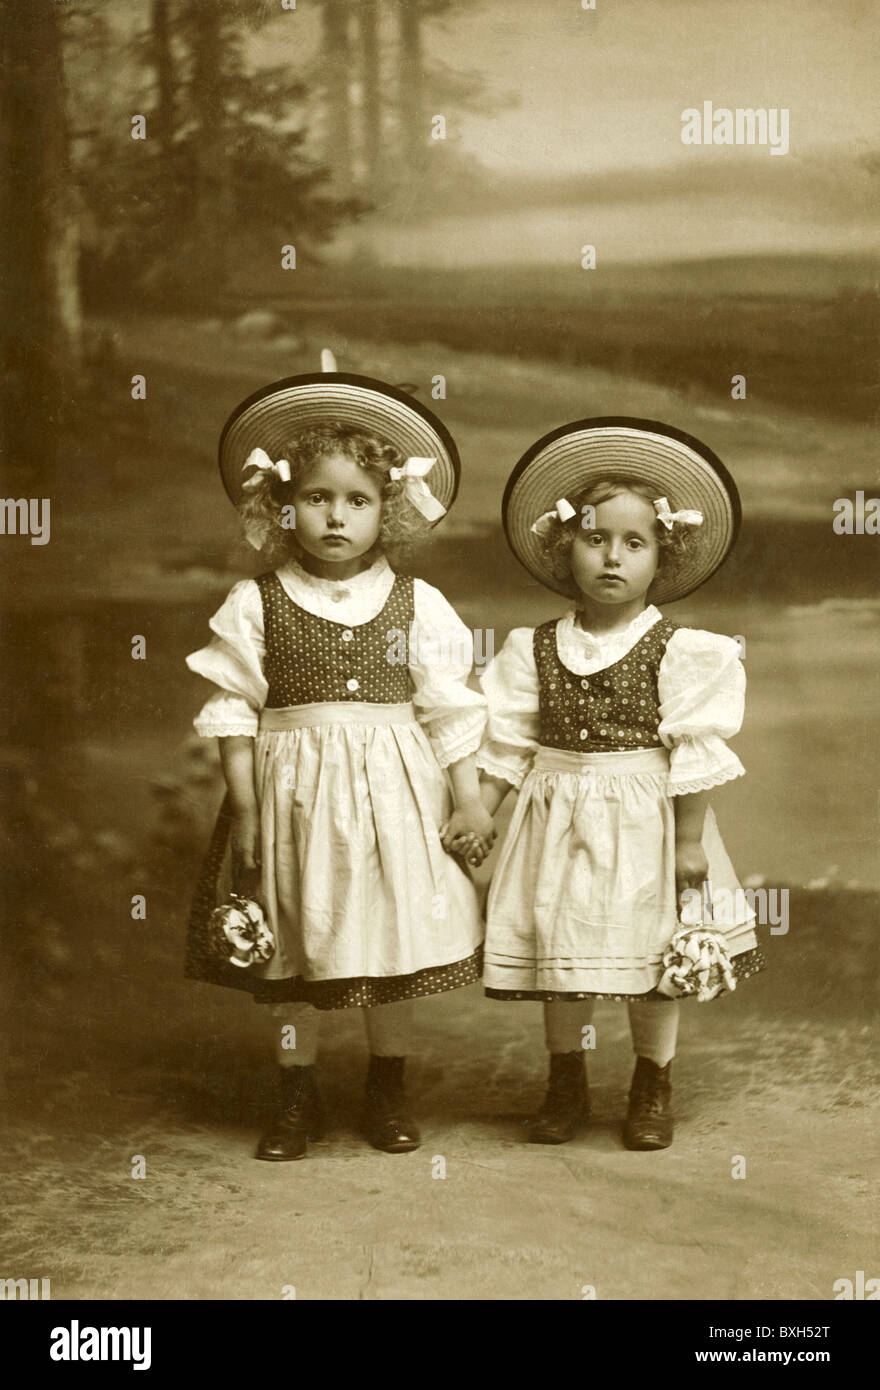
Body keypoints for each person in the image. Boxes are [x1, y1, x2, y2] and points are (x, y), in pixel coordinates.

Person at [186, 357, 493, 1161]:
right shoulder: (255, 601)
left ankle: (387, 1084)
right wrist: (247, 808)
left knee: (390, 937)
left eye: (356, 500)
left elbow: (450, 708)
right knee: (301, 938)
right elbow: (231, 710)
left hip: (397, 793)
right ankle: (296, 1094)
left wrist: (467, 800)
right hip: (293, 799)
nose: (334, 516)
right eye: (316, 497)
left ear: (385, 512)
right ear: (282, 505)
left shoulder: (417, 601)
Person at [444, 418, 764, 1150]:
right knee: (563, 952)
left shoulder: (684, 651)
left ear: (662, 556)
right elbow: (507, 746)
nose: (612, 557)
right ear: (567, 549)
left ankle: (653, 1080)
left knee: (654, 955)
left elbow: (695, 753)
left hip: (647, 818)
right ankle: (566, 1081)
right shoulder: (532, 648)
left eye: (634, 543)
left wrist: (689, 842)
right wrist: (481, 811)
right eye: (595, 540)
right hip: (557, 816)